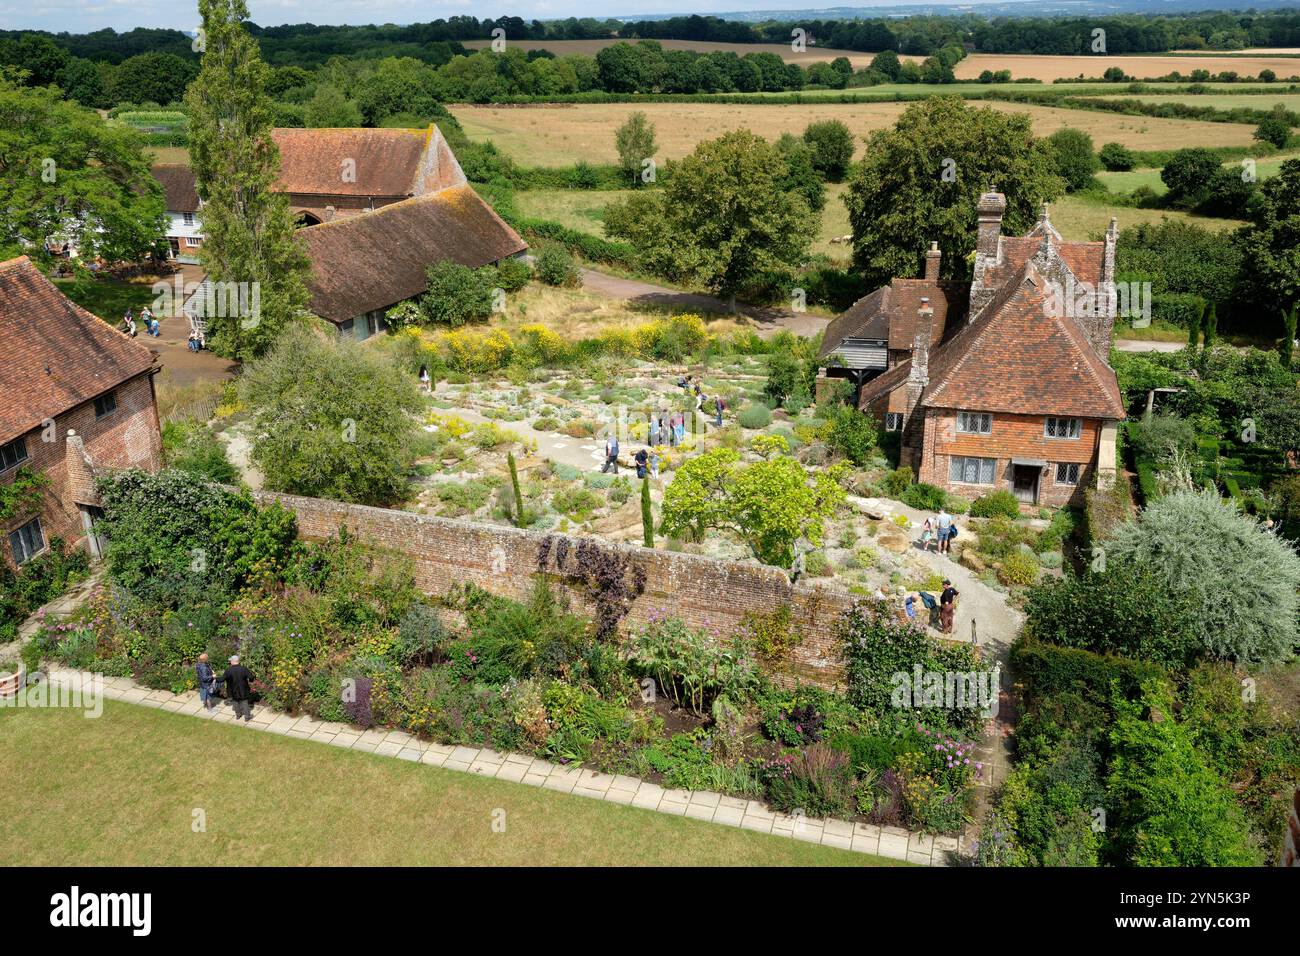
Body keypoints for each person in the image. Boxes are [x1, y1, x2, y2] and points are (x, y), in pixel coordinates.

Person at [219, 655, 256, 722]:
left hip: (232, 690)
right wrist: (252, 679)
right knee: (244, 702)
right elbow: (251, 677)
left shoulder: (228, 670)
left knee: (235, 701)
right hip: (243, 689)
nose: (230, 662)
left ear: (233, 661)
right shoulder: (243, 669)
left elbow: (222, 679)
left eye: (230, 661)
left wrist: (214, 678)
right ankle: (247, 717)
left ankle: (238, 715)